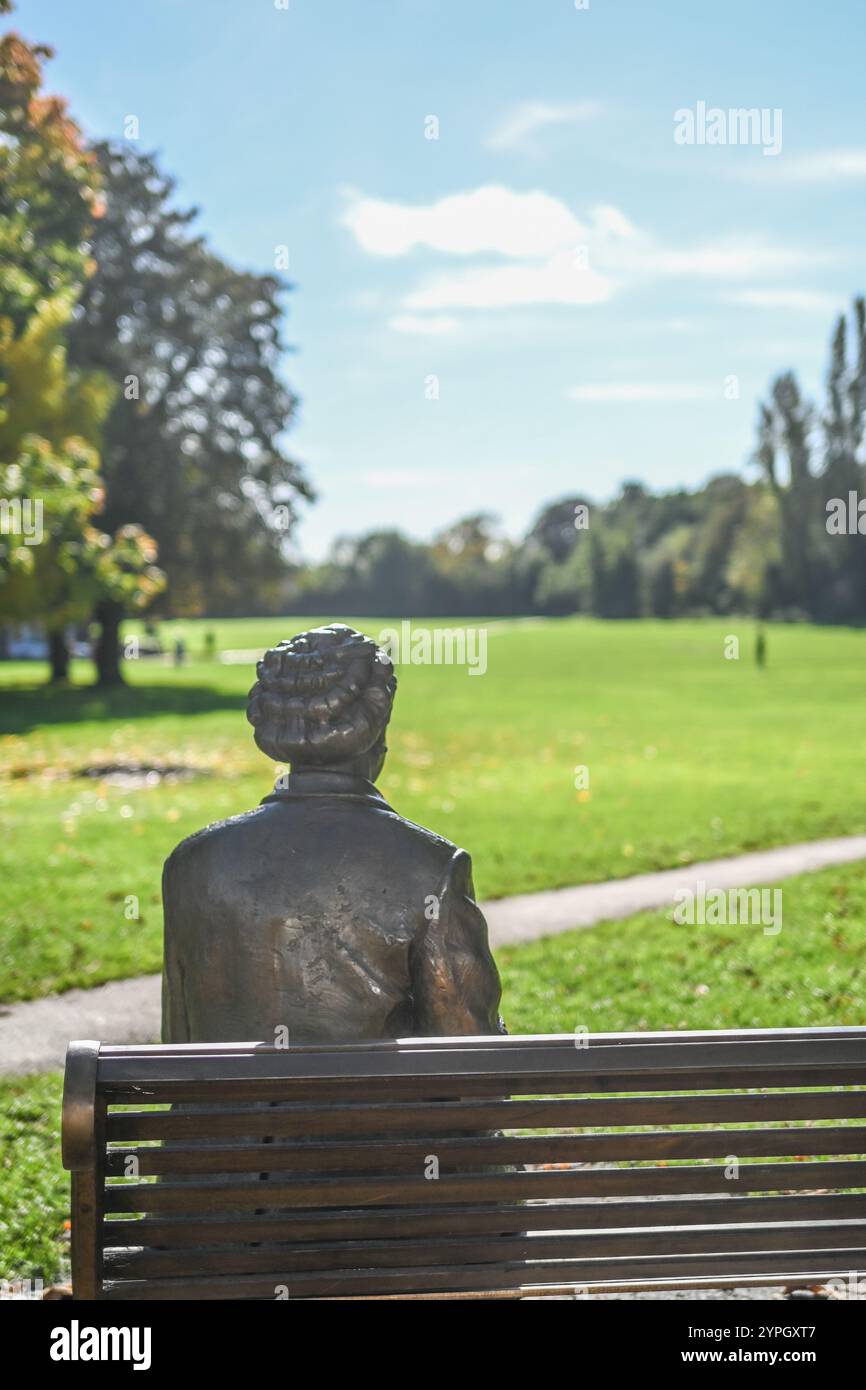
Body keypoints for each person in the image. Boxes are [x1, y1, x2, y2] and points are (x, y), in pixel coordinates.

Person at [161, 624, 505, 1043]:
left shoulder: (192, 864)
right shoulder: (432, 868)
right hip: (372, 1111)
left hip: (214, 1110)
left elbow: (179, 1036)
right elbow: (468, 1057)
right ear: (377, 733)